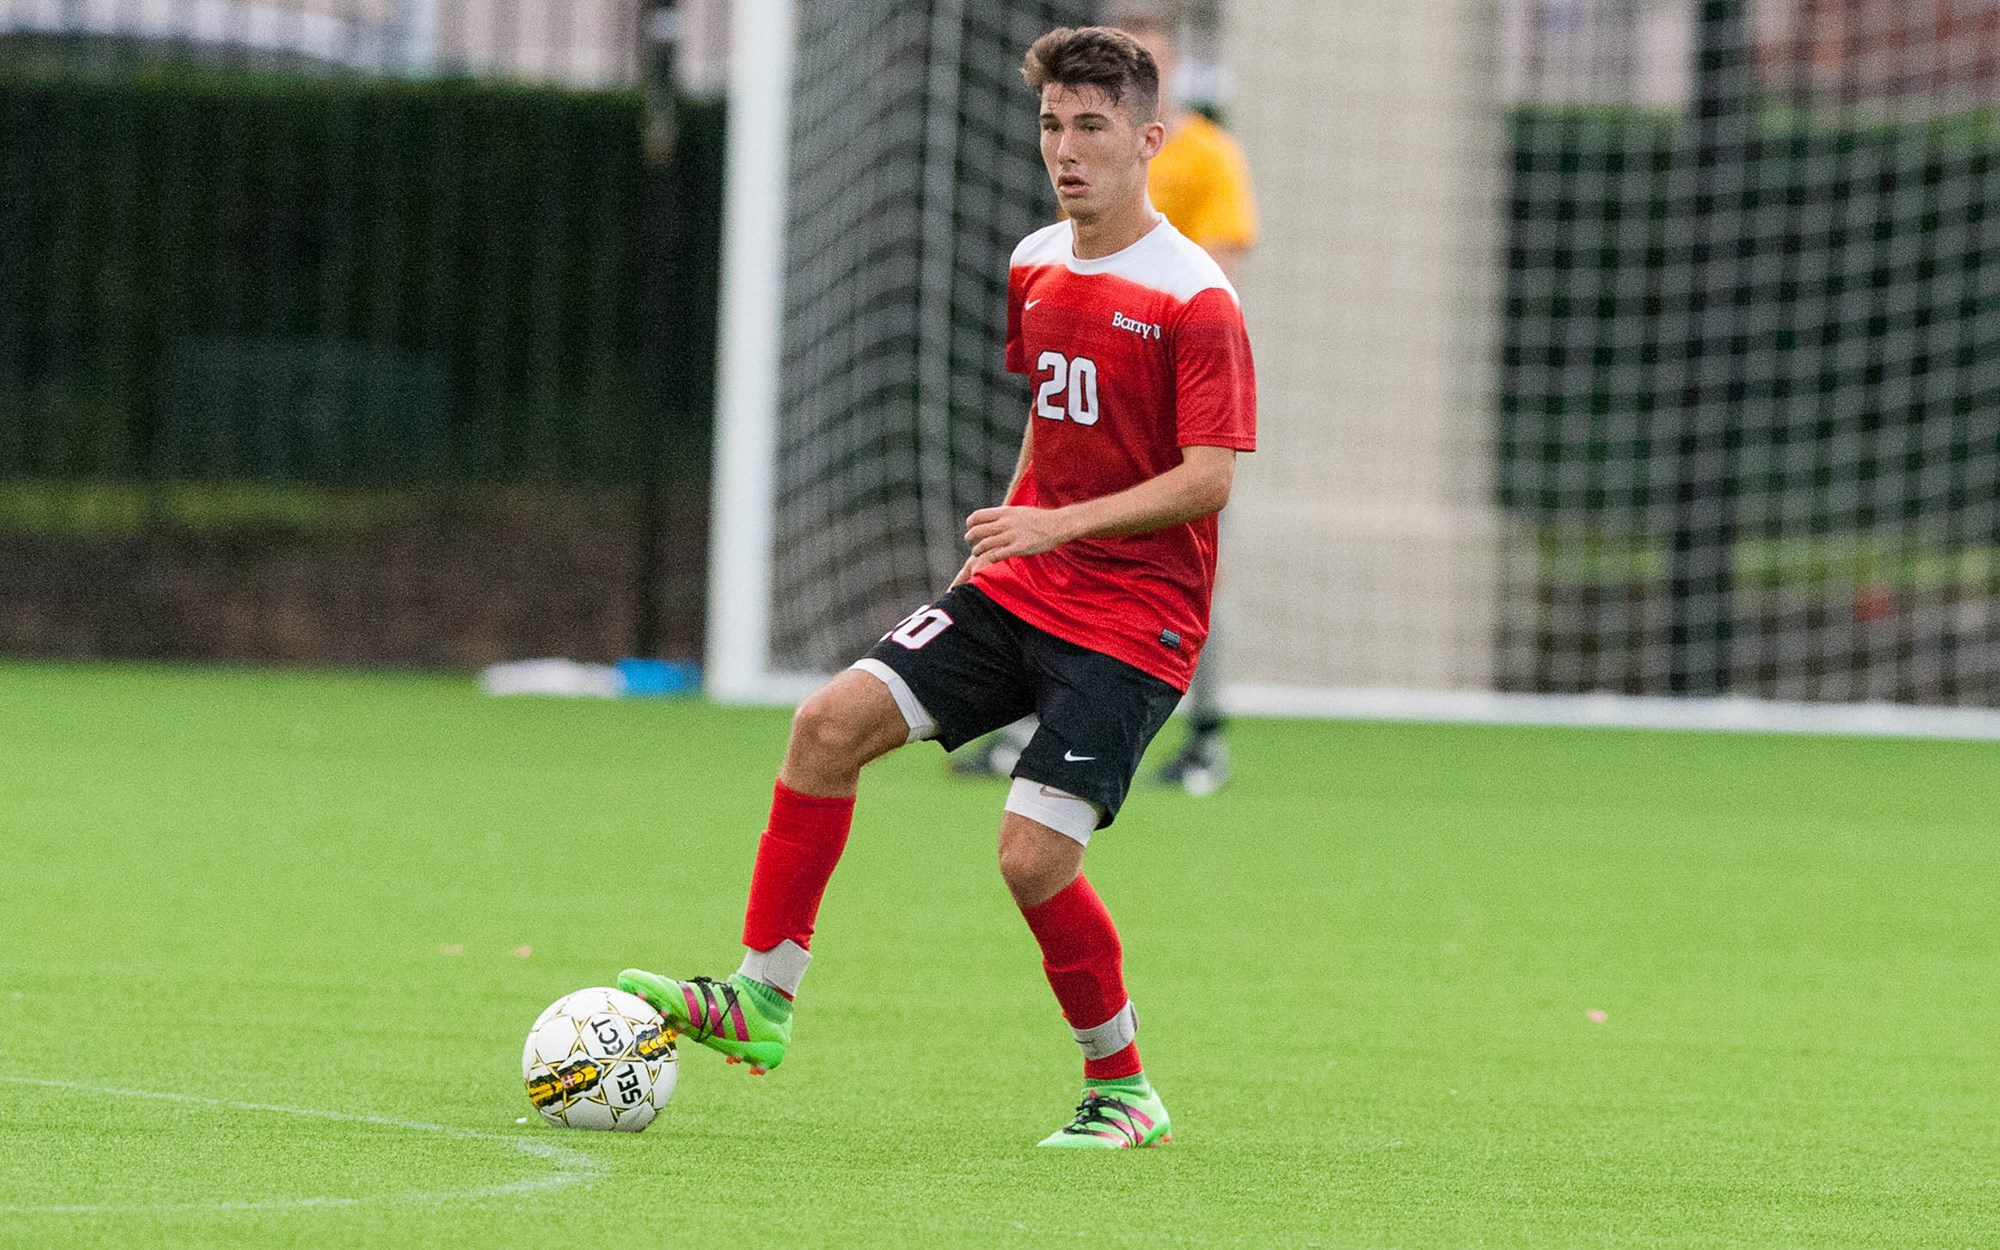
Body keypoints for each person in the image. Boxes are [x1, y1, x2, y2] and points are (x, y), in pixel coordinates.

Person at [617, 25, 1255, 1149]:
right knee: (826, 726)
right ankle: (762, 994)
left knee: (1031, 857)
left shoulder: (1194, 296)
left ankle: (1123, 1087)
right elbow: (1052, 419)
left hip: (1134, 621)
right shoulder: (1035, 262)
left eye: (1092, 127)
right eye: (1051, 125)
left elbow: (1208, 479)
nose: (1066, 149)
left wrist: (1056, 523)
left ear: (1149, 139)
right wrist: (1003, 541)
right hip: (1022, 587)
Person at [953, 8, 1258, 796]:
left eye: (1143, 63)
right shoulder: (1080, 163)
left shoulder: (1209, 159)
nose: (1073, 138)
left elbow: (1214, 274)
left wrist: (1155, 332)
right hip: (1098, 381)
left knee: (1186, 563)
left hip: (1176, 391)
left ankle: (1206, 735)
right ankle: (1026, 726)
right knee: (1050, 540)